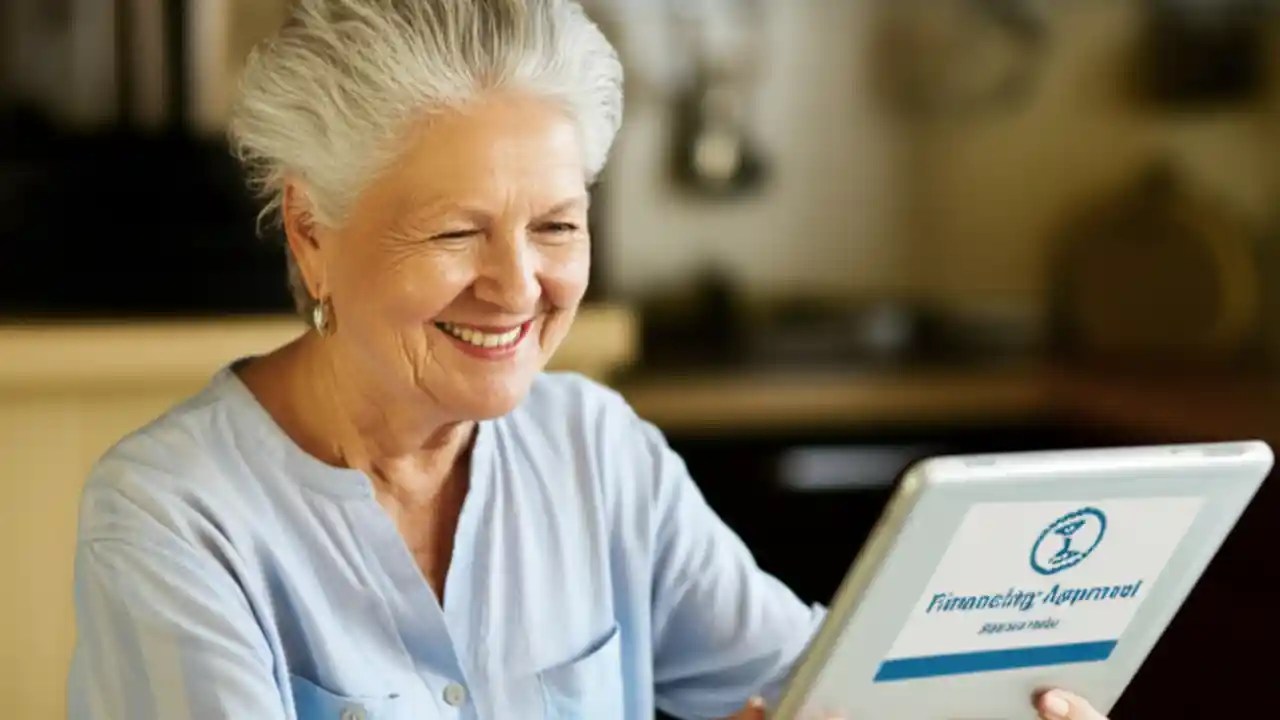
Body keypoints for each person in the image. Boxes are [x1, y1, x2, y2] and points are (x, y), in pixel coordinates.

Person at [65, 2, 1111, 719]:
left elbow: (816, 687)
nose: (518, 287)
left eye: (557, 226)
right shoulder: (175, 514)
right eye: (455, 233)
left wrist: (979, 705)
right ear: (310, 233)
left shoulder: (595, 450)